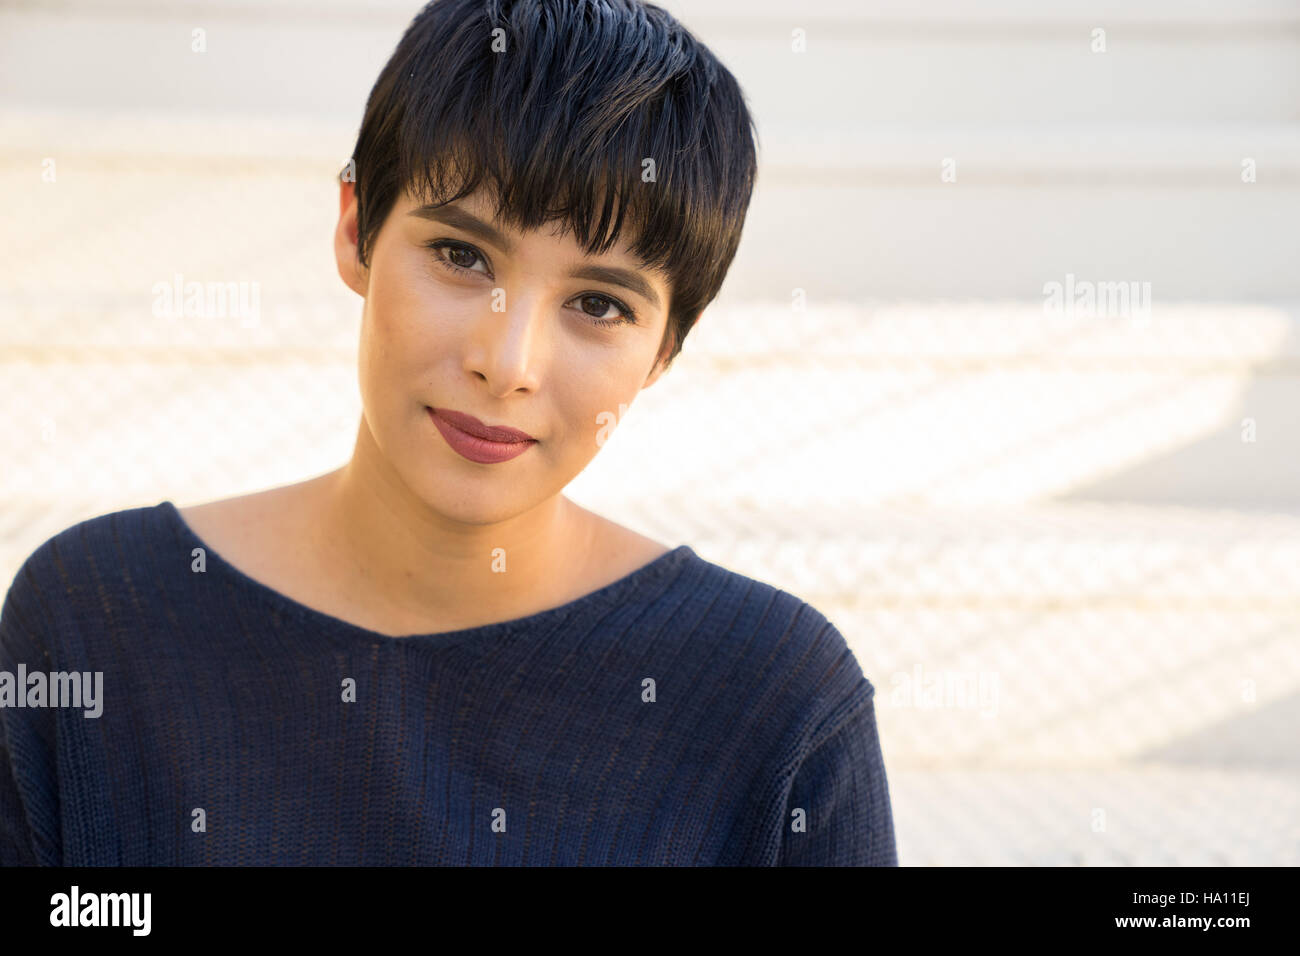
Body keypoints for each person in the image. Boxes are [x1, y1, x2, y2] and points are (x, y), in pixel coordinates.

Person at [0, 0, 897, 866]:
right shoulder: (94, 622)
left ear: (666, 348)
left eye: (598, 304)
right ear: (356, 229)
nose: (507, 362)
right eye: (462, 255)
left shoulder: (773, 703)